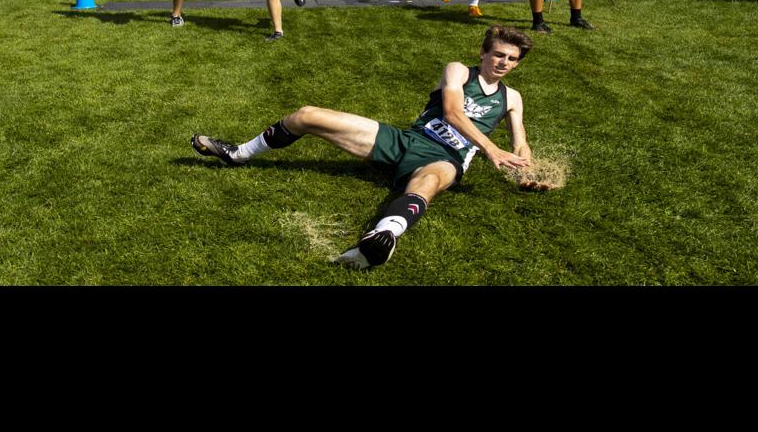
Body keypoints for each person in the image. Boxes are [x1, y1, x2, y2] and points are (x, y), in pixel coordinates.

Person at [191, 26, 539, 268]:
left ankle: (384, 235)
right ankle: (237, 154)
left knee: (428, 184)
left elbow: (520, 143)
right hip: (407, 140)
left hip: (445, 160)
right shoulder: (459, 72)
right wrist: (491, 149)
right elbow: (450, 112)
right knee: (307, 115)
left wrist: (528, 172)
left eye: (512, 59)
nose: (504, 63)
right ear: (482, 53)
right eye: (498, 55)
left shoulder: (513, 98)